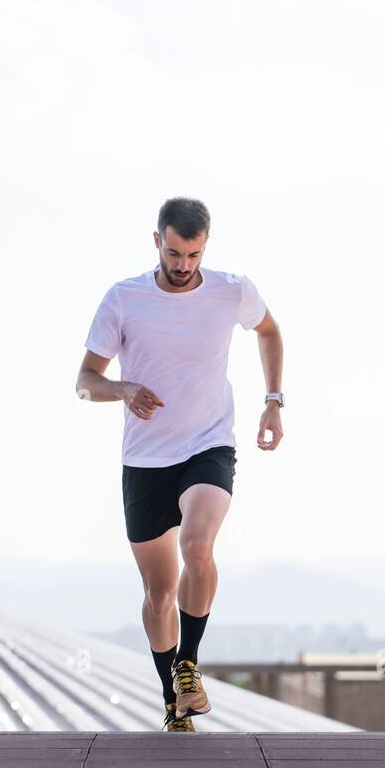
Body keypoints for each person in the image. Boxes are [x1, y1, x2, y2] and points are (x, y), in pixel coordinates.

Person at [75, 197, 284, 731]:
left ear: (204, 247)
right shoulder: (123, 300)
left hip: (208, 445)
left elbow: (268, 330)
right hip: (145, 460)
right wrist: (122, 389)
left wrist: (273, 400)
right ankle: (173, 702)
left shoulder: (231, 291)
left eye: (192, 254)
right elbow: (85, 382)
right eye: (173, 252)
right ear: (156, 242)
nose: (183, 264)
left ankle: (187, 666)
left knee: (197, 545)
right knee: (159, 592)